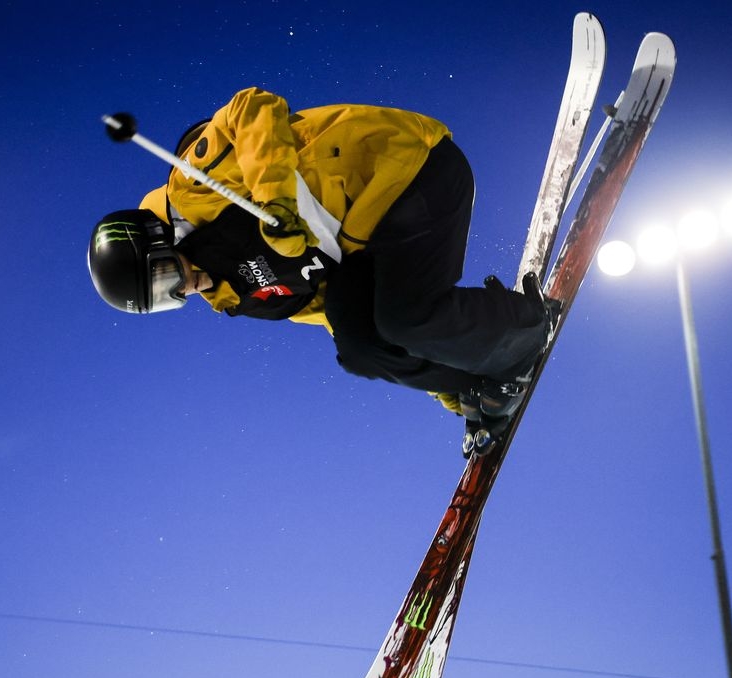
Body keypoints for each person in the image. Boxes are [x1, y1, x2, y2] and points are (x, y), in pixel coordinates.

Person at [88, 87, 556, 451]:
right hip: (367, 246)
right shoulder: (237, 295)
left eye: (165, 273)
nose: (181, 288)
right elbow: (332, 309)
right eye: (167, 297)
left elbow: (250, 107)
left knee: (403, 316)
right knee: (357, 345)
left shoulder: (195, 184)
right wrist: (447, 386)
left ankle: (526, 330)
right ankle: (475, 383)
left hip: (410, 171)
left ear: (158, 238)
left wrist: (276, 198)